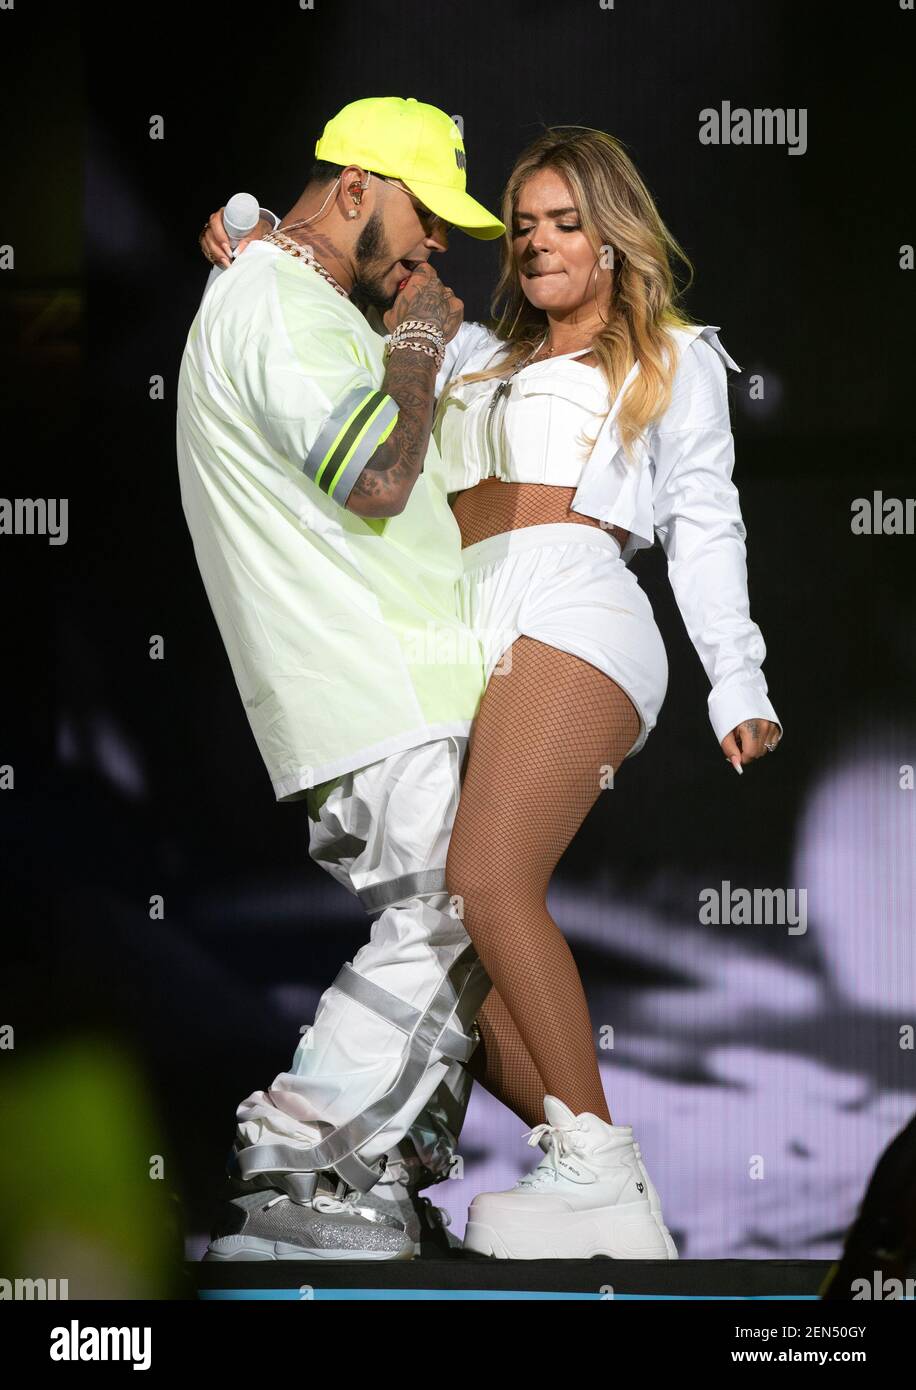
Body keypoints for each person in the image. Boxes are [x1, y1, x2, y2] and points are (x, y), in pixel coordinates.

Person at [197, 121, 784, 1263]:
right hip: (464, 632)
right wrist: (240, 223)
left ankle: (600, 1170)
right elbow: (325, 280)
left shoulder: (671, 355)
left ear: (613, 237)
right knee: (460, 938)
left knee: (482, 881)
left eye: (566, 223)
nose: (538, 243)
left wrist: (738, 679)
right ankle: (594, 1163)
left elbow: (706, 522)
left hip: (576, 608)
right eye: (522, 226)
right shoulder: (465, 350)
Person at [178, 96, 507, 1261]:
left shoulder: (290, 290)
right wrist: (413, 341)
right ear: (356, 187)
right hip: (370, 677)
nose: (438, 247)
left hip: (392, 677)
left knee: (456, 926)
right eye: (426, 217)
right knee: (448, 919)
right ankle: (300, 1163)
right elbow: (373, 474)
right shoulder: (271, 300)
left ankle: (372, 1178)